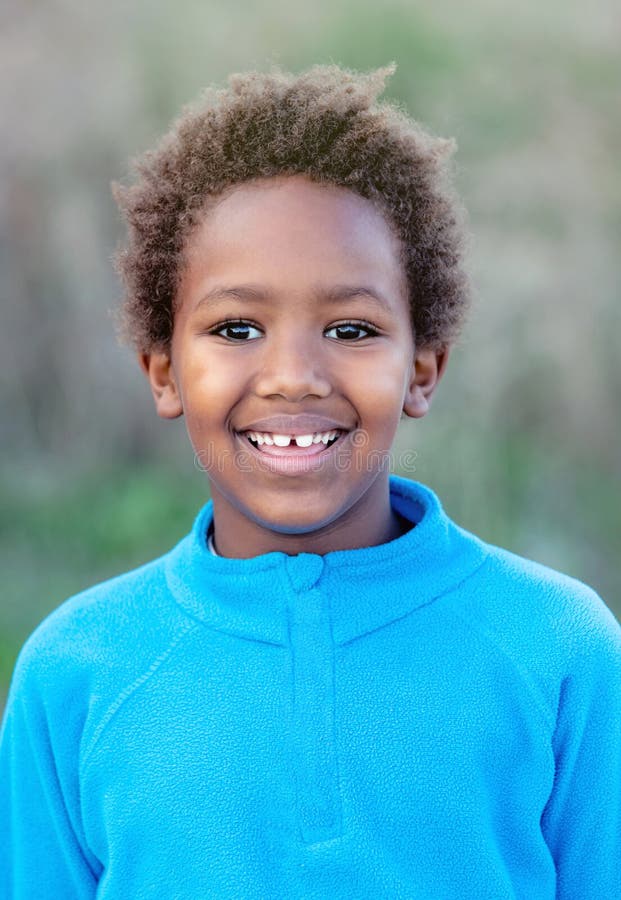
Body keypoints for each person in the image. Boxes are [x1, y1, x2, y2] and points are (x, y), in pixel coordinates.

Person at [1, 64, 619, 899]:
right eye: (237, 327)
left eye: (351, 327)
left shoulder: (560, 648)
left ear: (422, 369)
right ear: (163, 371)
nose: (293, 375)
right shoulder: (75, 671)